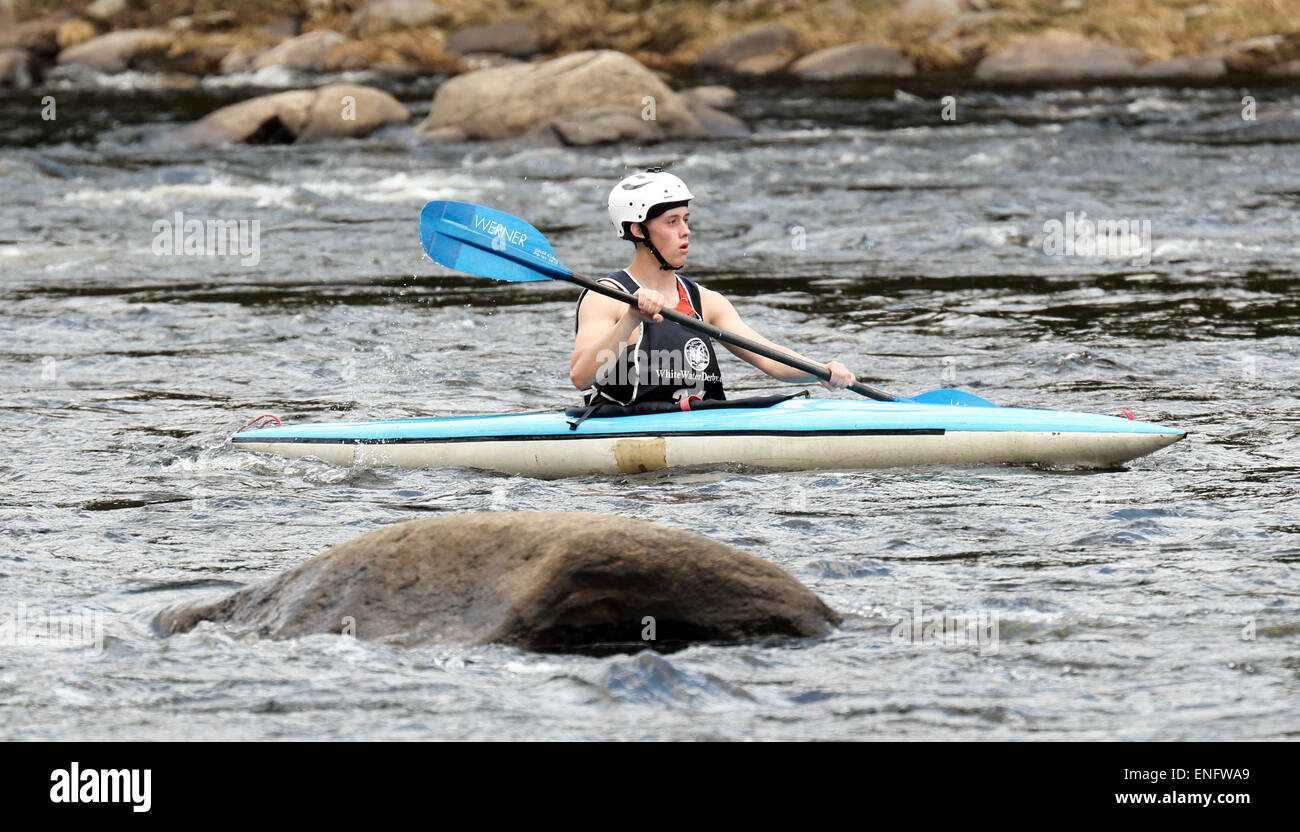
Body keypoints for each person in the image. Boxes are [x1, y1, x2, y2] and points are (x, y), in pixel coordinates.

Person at [570, 168, 857, 408]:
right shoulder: (607, 296)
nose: (685, 231)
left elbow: (769, 358)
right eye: (672, 222)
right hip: (624, 427)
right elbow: (582, 377)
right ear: (637, 230)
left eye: (686, 219)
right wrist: (632, 316)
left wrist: (819, 371)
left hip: (697, 428)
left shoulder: (706, 301)